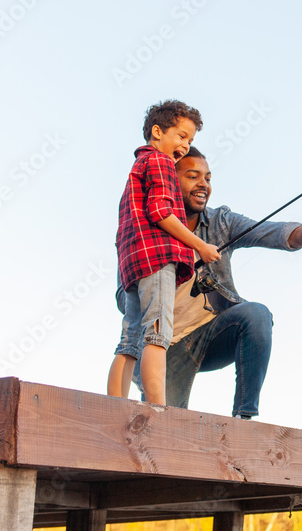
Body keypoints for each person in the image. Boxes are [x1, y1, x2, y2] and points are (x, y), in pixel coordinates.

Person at [121, 146, 302, 419]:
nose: (203, 185)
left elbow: (271, 232)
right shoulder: (141, 229)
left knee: (256, 314)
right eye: (193, 176)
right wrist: (163, 279)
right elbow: (123, 299)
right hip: (165, 347)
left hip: (212, 333)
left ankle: (244, 419)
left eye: (208, 178)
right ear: (169, 181)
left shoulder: (221, 222)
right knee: (161, 425)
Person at [107, 101, 221, 406]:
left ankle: (113, 407)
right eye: (182, 136)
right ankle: (157, 409)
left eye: (190, 141)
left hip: (132, 263)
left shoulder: (137, 167)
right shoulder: (160, 163)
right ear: (157, 132)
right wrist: (200, 246)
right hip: (156, 257)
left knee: (129, 340)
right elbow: (160, 212)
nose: (185, 146)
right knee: (158, 331)